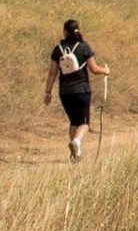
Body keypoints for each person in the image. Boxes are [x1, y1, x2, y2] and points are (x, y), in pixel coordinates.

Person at [46, 19, 111, 162]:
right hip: (82, 91)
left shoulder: (58, 49)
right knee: (84, 123)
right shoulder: (83, 47)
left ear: (65, 32)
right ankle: (76, 143)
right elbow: (94, 69)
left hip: (65, 92)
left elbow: (52, 73)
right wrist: (105, 70)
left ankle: (76, 154)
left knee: (73, 122)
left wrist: (47, 92)